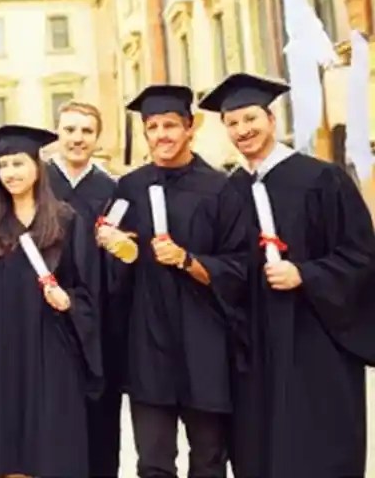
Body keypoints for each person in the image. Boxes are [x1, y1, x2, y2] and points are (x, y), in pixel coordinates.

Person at [200, 73, 375, 477]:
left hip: (315, 339)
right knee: (258, 449)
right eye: (232, 123)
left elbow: (361, 254)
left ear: (271, 119)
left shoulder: (321, 178)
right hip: (255, 344)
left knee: (317, 446)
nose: (242, 130)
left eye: (250, 118)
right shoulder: (229, 191)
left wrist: (307, 274)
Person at [95, 84, 252, 478]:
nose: (161, 135)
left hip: (205, 342)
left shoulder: (219, 188)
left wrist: (186, 260)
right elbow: (113, 267)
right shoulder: (129, 187)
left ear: (190, 126)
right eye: (152, 127)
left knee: (209, 458)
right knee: (152, 462)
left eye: (170, 125)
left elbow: (239, 266)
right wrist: (115, 248)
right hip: (148, 344)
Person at [0, 124, 101, 477]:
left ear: (37, 166)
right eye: (3, 165)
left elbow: (89, 291)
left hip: (51, 350)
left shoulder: (65, 221)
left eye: (18, 163)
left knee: (49, 450)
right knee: (8, 450)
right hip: (2, 351)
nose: (10, 173)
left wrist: (68, 301)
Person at [45, 100, 122, 477]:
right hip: (46, 319)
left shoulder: (112, 190)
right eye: (70, 129)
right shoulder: (38, 184)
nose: (77, 138)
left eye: (86, 131)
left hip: (97, 320)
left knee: (99, 421)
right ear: (57, 132)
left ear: (97, 137)